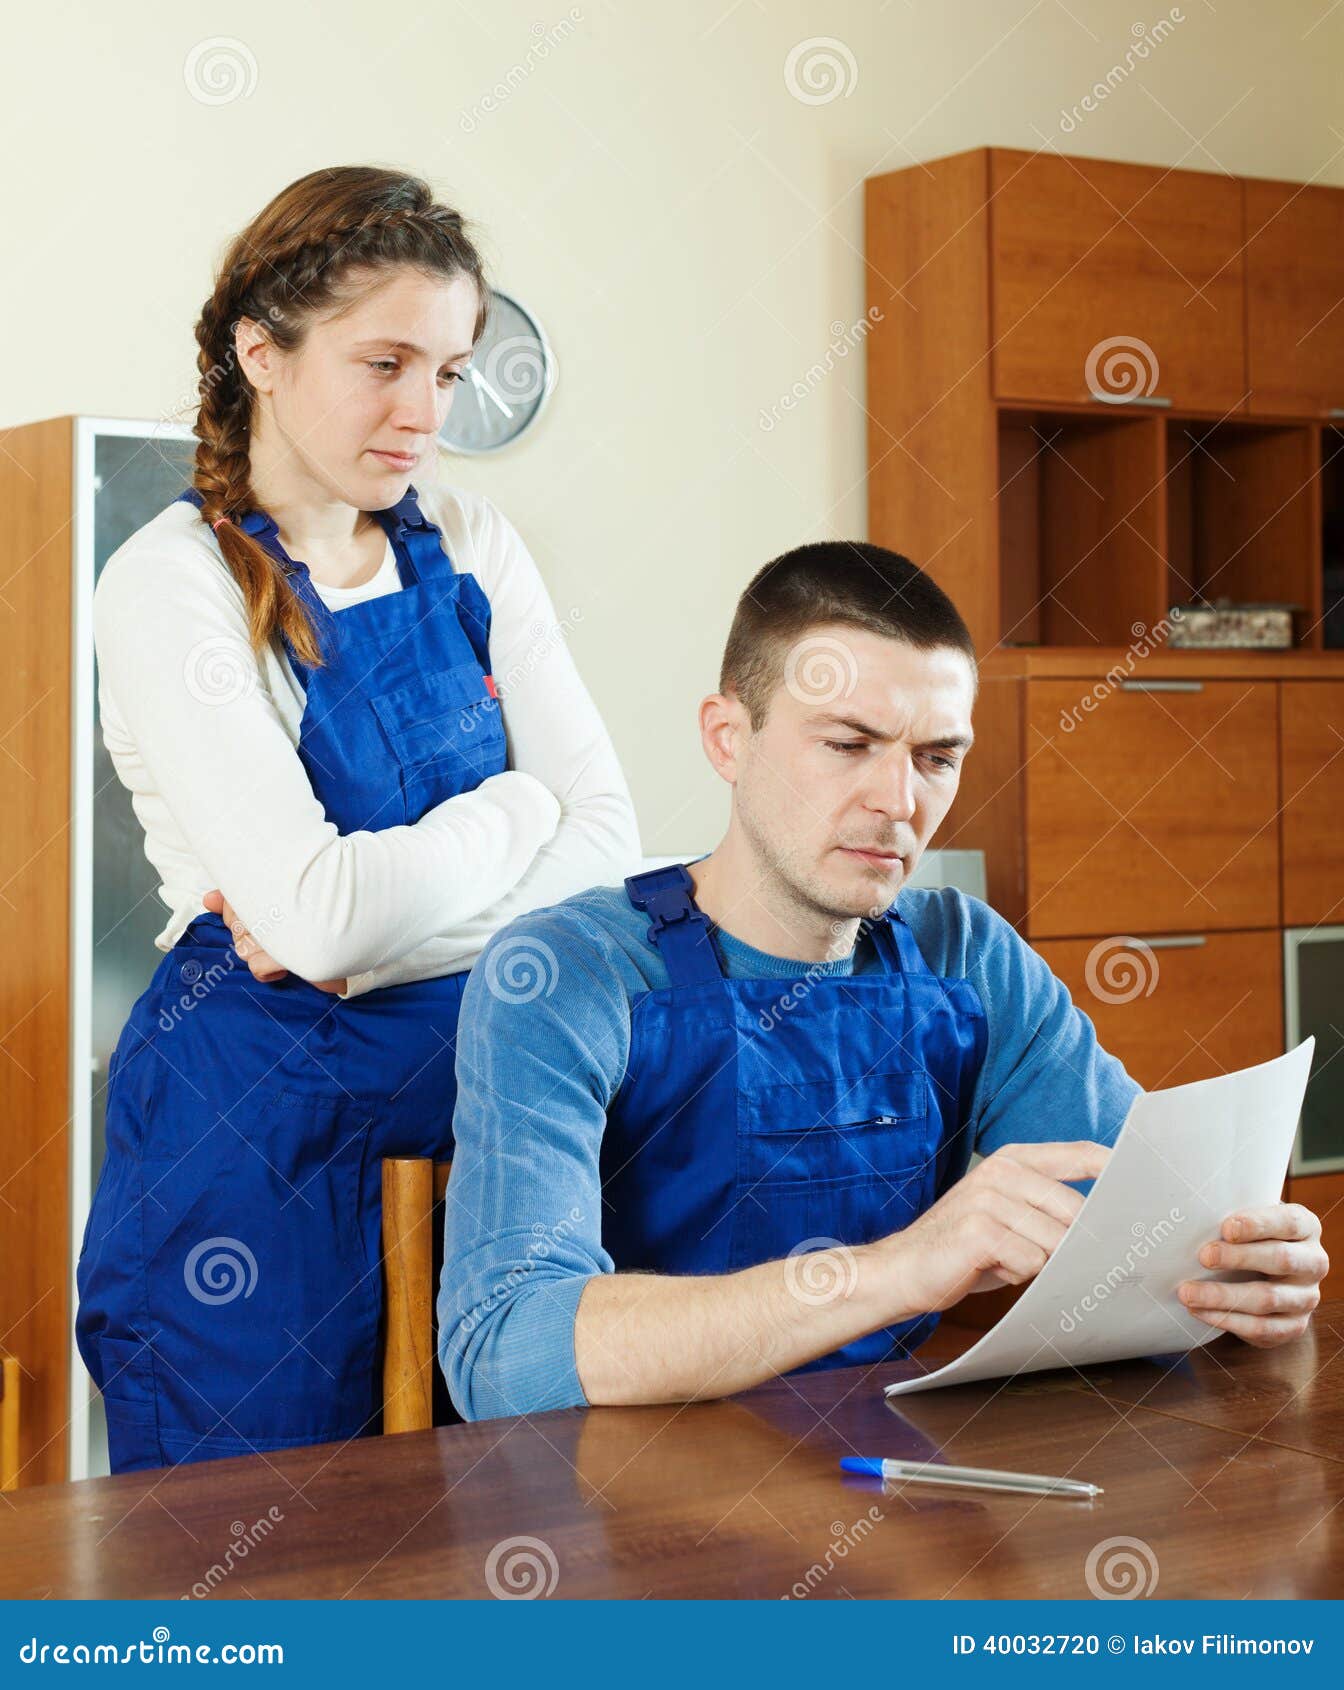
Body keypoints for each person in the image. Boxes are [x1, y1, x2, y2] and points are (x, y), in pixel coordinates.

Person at [439, 541, 1327, 1421]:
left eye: (936, 758)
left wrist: (1238, 1266)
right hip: (631, 1486)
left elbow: (1148, 1225)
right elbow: (504, 1357)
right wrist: (901, 1269)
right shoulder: (564, 974)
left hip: (891, 1463)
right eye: (848, 743)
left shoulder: (966, 956)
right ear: (727, 739)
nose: (899, 803)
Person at [75, 165, 640, 1473]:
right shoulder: (172, 584)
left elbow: (607, 846)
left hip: (484, 1101)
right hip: (259, 1132)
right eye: (384, 364)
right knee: (263, 1539)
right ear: (261, 354)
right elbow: (319, 918)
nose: (422, 412)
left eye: (447, 372)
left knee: (494, 1511)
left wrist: (375, 941)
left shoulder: (473, 539)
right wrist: (520, 805)